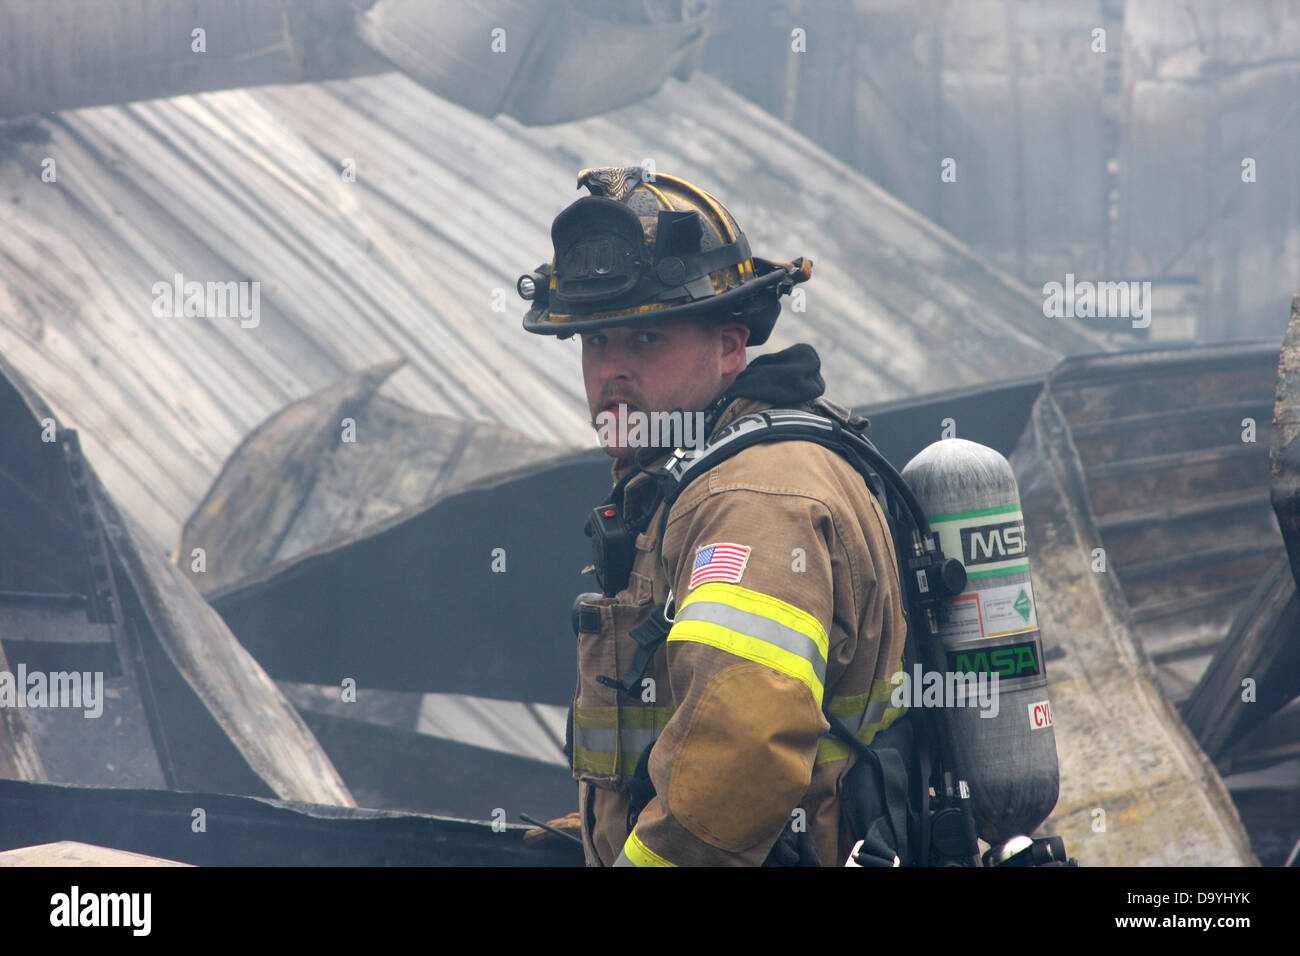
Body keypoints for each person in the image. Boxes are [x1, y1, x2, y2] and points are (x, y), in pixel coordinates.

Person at [517, 167, 908, 866]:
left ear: (731, 347)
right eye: (595, 342)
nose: (611, 371)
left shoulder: (753, 499)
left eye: (645, 341)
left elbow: (742, 753)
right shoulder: (696, 480)